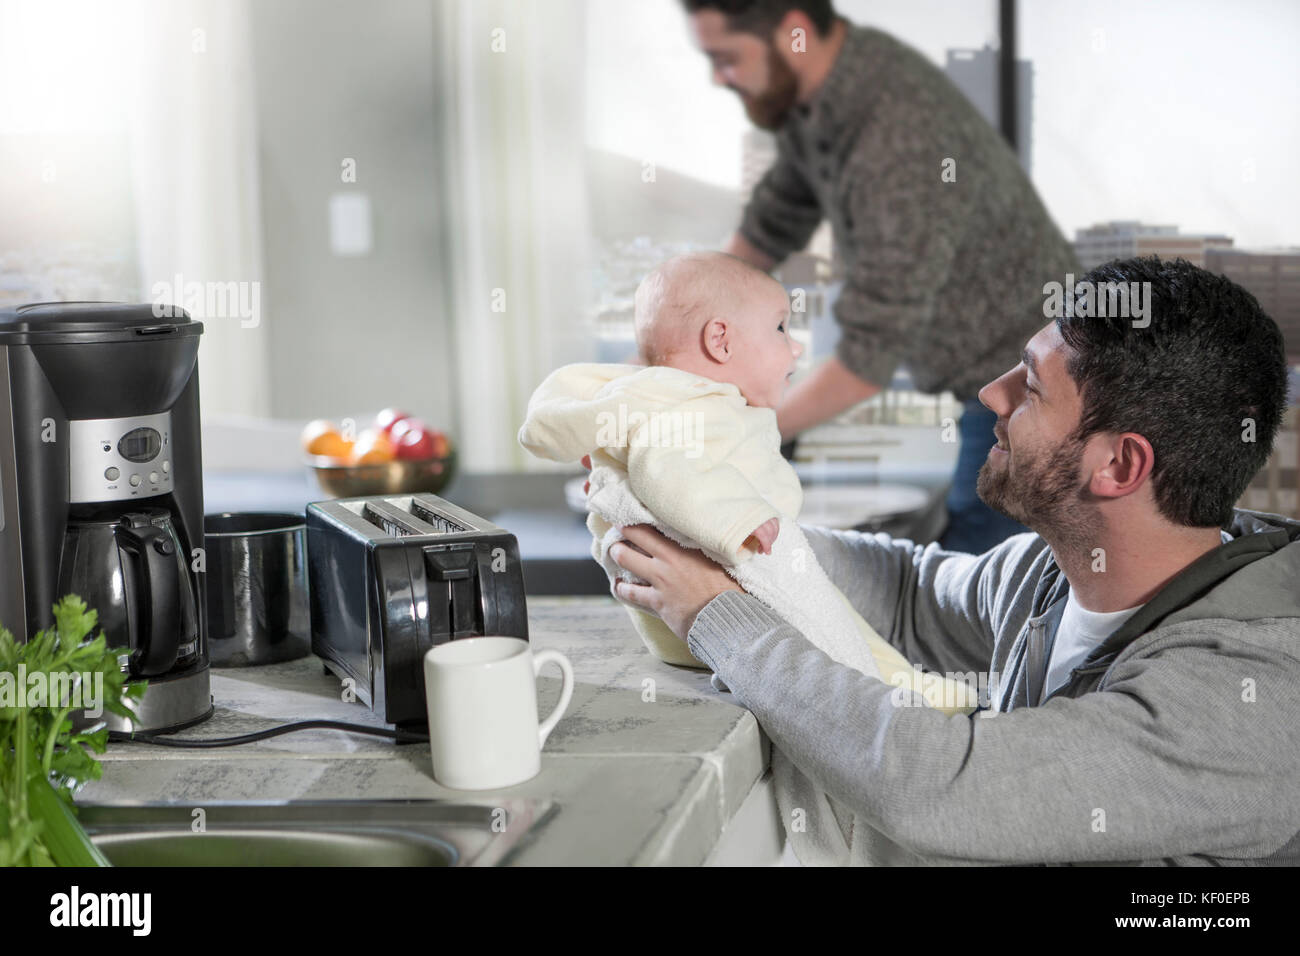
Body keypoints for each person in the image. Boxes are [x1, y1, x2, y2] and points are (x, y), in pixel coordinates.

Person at [606, 256, 1300, 865]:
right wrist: (716, 526)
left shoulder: (1247, 693)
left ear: (1117, 465)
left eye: (1029, 386)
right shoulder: (1053, 576)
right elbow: (910, 595)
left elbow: (940, 788)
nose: (990, 394)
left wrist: (718, 616)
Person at [682, 0, 1080, 553]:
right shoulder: (818, 104)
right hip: (996, 373)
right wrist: (663, 348)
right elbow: (771, 223)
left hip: (1033, 382)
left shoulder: (896, 127)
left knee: (984, 559)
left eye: (726, 58)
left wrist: (731, 435)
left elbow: (869, 356)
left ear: (793, 31)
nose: (719, 78)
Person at [518, 251, 976, 712]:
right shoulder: (691, 404)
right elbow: (668, 467)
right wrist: (739, 517)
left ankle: (913, 688)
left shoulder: (691, 401)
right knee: (833, 632)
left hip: (709, 593)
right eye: (780, 328)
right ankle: (907, 702)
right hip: (724, 580)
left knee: (844, 619)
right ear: (721, 340)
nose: (795, 347)